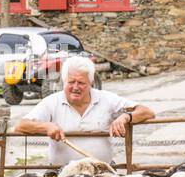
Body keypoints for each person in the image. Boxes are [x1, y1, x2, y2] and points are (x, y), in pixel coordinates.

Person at [12, 55, 154, 166]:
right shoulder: (52, 101)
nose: (75, 87)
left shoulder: (106, 99)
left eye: (81, 83)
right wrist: (46, 126)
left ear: (91, 83)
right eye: (71, 82)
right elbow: (20, 126)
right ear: (64, 82)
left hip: (101, 172)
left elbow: (147, 112)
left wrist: (125, 117)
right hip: (62, 174)